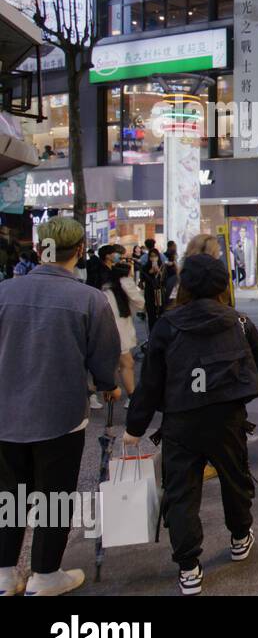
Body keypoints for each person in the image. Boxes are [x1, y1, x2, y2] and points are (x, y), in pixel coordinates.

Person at [125, 254, 258, 595]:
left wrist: (134, 428)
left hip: (181, 423)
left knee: (182, 493)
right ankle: (239, 537)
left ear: (185, 284)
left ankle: (189, 567)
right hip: (227, 419)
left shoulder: (167, 324)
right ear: (224, 284)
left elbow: (150, 383)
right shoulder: (237, 321)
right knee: (235, 479)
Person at [0, 218, 120, 596]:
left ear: (40, 248)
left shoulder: (3, 292)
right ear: (81, 250)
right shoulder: (89, 299)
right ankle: (45, 573)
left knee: (9, 495)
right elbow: (104, 359)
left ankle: (4, 573)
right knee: (53, 495)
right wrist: (107, 386)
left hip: (4, 413)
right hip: (60, 413)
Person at [97, 244, 145, 402]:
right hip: (118, 332)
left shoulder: (107, 288)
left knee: (118, 364)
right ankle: (130, 396)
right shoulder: (123, 284)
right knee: (126, 363)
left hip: (108, 331)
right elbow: (140, 303)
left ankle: (113, 393)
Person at [140, 247, 167, 329]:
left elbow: (165, 280)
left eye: (155, 256)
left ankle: (160, 333)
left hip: (160, 292)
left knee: (161, 313)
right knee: (151, 314)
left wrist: (159, 271)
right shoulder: (145, 267)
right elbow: (142, 279)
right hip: (149, 292)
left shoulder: (162, 266)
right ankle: (152, 333)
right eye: (151, 256)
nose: (153, 258)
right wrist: (150, 272)